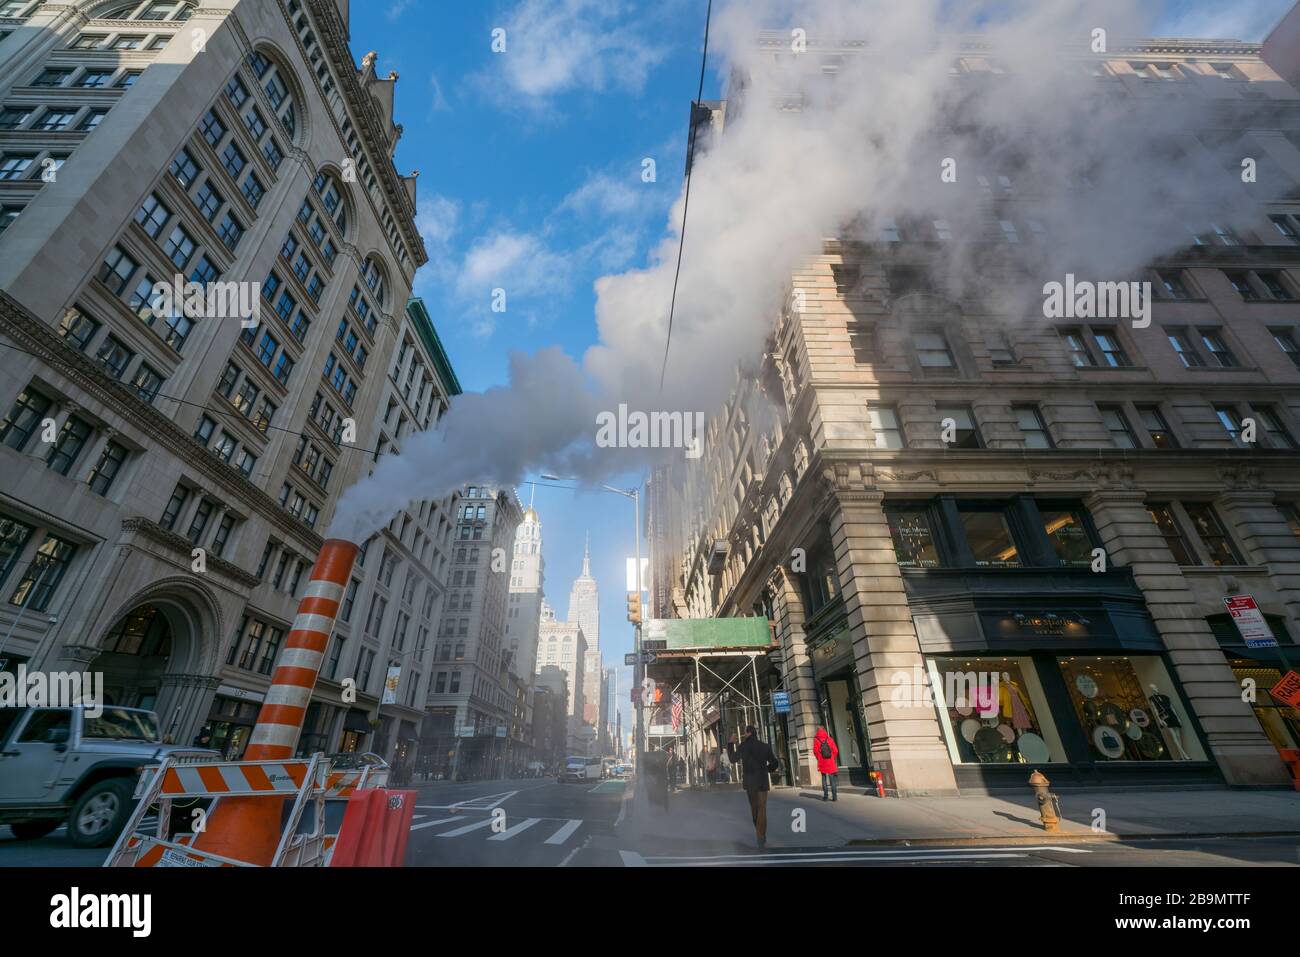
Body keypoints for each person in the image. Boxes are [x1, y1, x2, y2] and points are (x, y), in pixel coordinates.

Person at [725, 726, 781, 848]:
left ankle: (759, 833)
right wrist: (768, 770)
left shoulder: (743, 746)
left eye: (745, 733)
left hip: (750, 782)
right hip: (762, 780)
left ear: (749, 733)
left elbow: (732, 759)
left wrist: (730, 743)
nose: (744, 735)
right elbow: (775, 763)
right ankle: (761, 836)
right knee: (762, 809)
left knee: (754, 809)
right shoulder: (765, 746)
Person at [813, 726, 839, 801]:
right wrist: (832, 758)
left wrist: (819, 758)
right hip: (830, 762)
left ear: (817, 731)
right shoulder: (830, 739)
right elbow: (835, 751)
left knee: (824, 779)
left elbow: (815, 751)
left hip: (822, 762)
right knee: (832, 780)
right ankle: (834, 797)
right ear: (825, 730)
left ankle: (826, 796)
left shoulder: (816, 740)